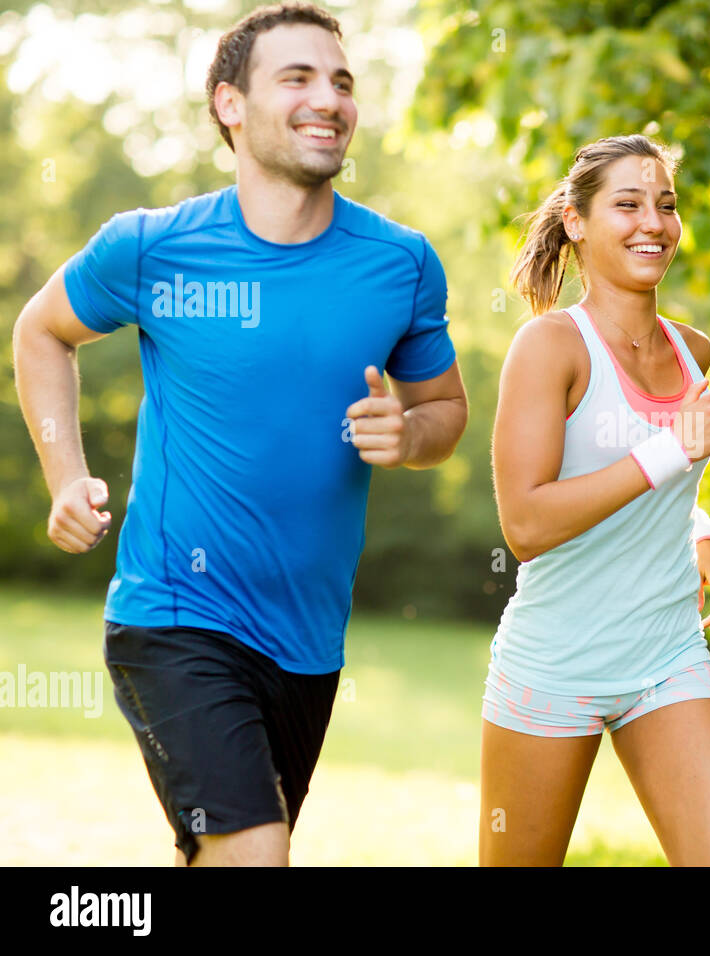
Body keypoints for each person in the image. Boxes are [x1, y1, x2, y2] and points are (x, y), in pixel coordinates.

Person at [11, 2, 467, 866]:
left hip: (307, 642)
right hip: (175, 614)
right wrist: (65, 476)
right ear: (230, 104)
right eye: (296, 78)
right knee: (256, 850)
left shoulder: (400, 262)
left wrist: (408, 435)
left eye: (340, 81)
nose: (327, 98)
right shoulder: (151, 250)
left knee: (219, 854)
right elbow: (41, 331)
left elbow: (446, 411)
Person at [480, 134, 710, 865]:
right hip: (555, 661)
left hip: (665, 655)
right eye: (627, 204)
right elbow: (528, 523)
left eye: (666, 205)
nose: (654, 223)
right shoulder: (550, 348)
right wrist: (679, 444)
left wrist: (704, 533)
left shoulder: (690, 349)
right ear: (575, 220)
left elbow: (644, 480)